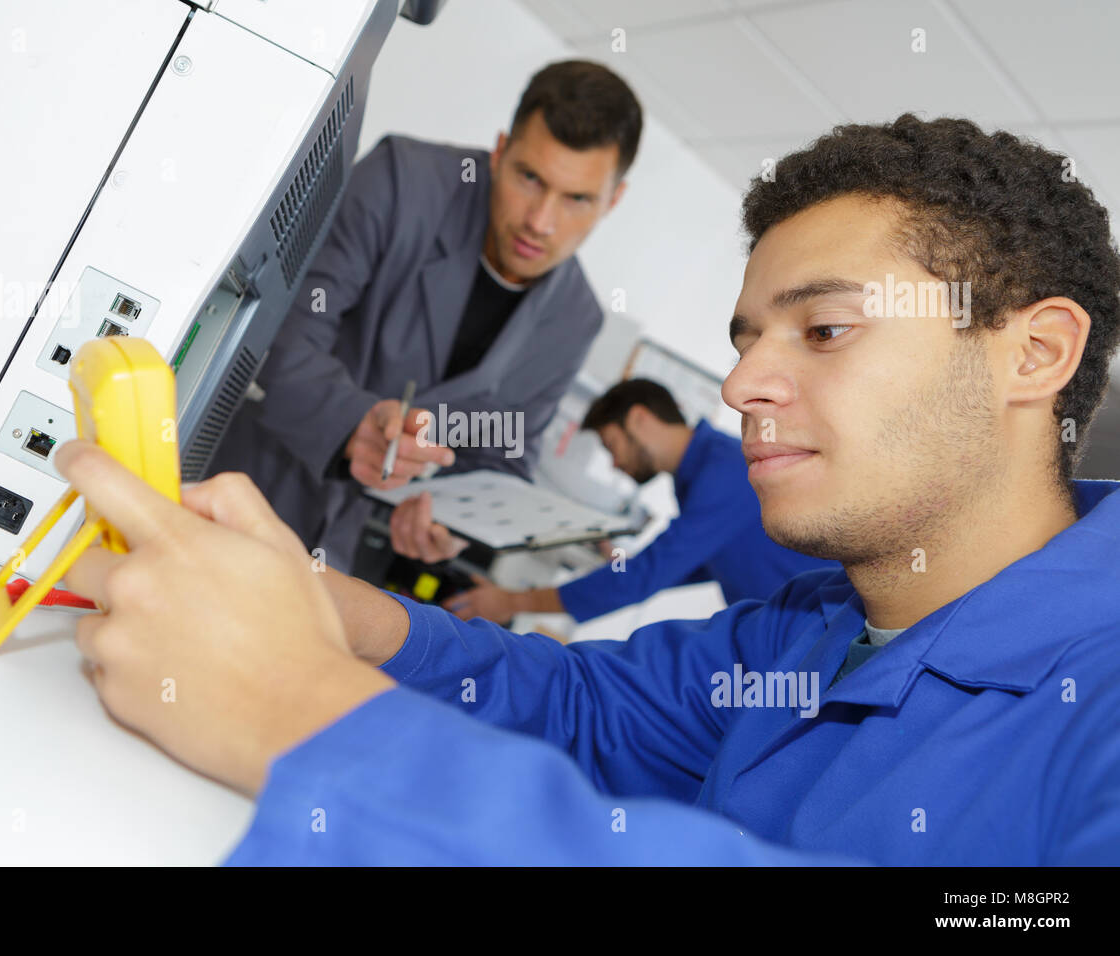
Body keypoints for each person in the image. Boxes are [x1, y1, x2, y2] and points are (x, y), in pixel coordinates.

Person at [56, 112, 1120, 864]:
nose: (745, 382)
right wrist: (328, 607)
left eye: (826, 329)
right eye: (746, 339)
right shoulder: (807, 633)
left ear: (1032, 355)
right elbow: (579, 704)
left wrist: (296, 710)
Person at [206, 60, 642, 573]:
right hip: (237, 478)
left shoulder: (575, 319)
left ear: (613, 200)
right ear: (500, 152)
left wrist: (451, 522)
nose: (540, 222)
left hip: (334, 552)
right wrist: (352, 423)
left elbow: (503, 448)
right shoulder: (401, 181)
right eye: (529, 177)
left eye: (577, 200)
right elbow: (280, 330)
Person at [443, 378, 837, 624]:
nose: (615, 464)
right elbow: (685, 567)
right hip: (797, 628)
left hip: (825, 626)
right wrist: (620, 563)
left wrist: (513, 601)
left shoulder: (727, 469)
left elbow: (647, 576)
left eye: (611, 446)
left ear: (638, 420)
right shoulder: (699, 477)